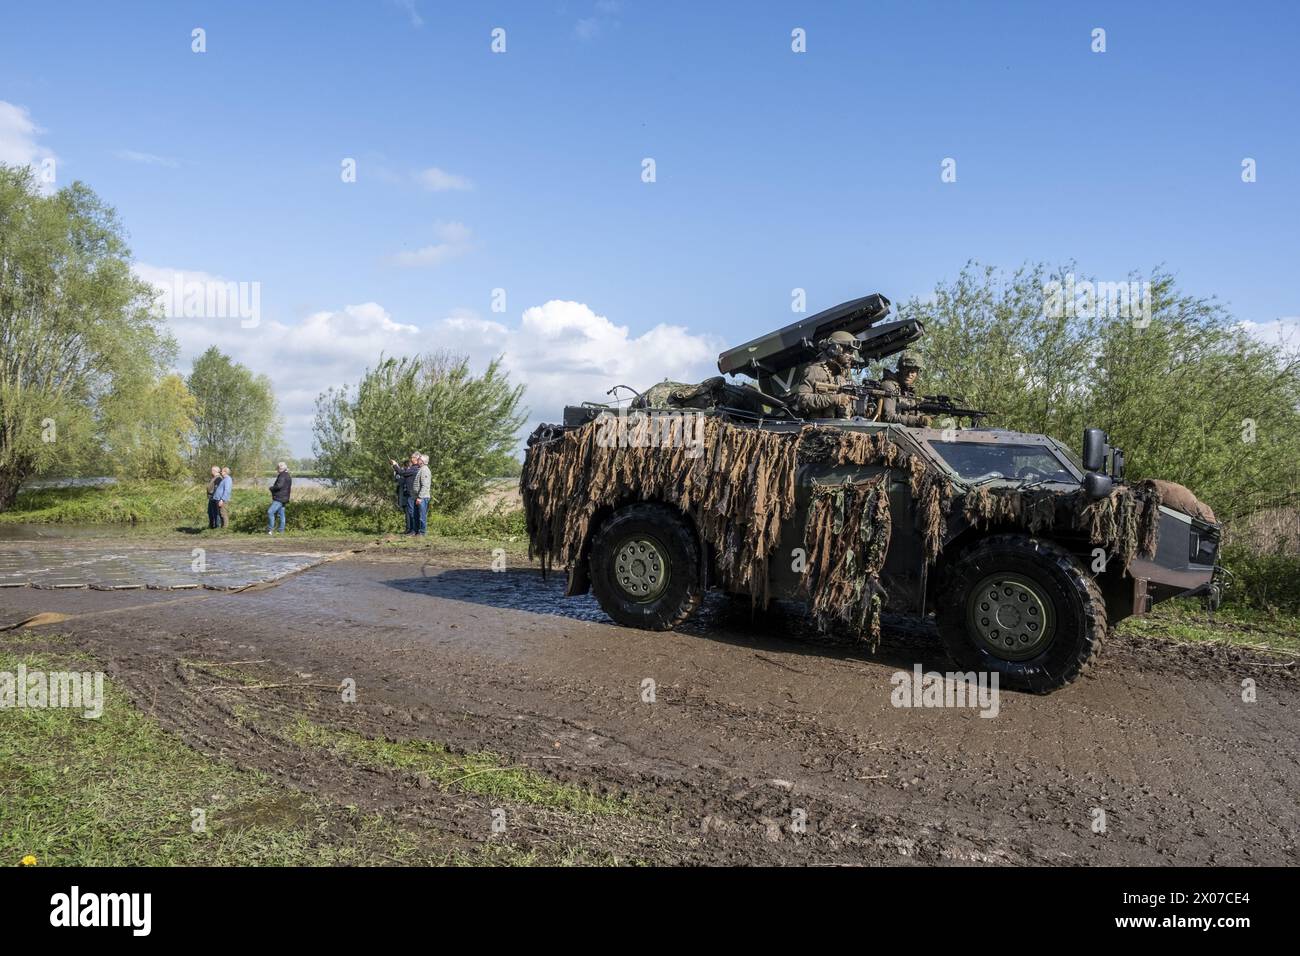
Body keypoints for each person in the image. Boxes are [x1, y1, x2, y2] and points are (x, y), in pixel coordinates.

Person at [791, 330, 860, 419]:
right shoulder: (814, 370)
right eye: (850, 352)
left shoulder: (842, 377)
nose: (853, 356)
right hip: (818, 428)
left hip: (841, 427)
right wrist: (835, 399)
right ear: (836, 348)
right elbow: (802, 399)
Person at [877, 351, 932, 426]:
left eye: (913, 371)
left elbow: (914, 416)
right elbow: (888, 417)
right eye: (906, 369)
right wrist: (918, 420)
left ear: (917, 373)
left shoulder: (909, 392)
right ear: (900, 369)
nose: (909, 374)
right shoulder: (889, 386)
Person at [390, 453, 420, 534]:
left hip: (412, 493)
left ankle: (413, 530)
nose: (411, 459)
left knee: (412, 512)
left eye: (412, 458)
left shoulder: (415, 468)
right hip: (408, 493)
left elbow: (402, 473)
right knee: (409, 512)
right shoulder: (414, 468)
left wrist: (395, 465)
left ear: (416, 459)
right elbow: (400, 475)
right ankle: (410, 530)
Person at [267, 462, 291, 534]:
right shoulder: (287, 475)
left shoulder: (282, 475)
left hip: (279, 498)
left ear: (280, 468)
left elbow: (279, 486)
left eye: (277, 468)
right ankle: (281, 531)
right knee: (281, 515)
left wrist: (271, 488)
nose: (277, 470)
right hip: (284, 498)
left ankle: (270, 530)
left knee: (270, 512)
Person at [412, 453, 432, 536]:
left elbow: (425, 485)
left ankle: (422, 532)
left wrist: (420, 497)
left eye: (419, 459)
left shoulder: (425, 470)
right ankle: (417, 532)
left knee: (421, 516)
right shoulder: (421, 469)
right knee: (416, 515)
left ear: (422, 461)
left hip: (422, 497)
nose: (418, 460)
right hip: (418, 497)